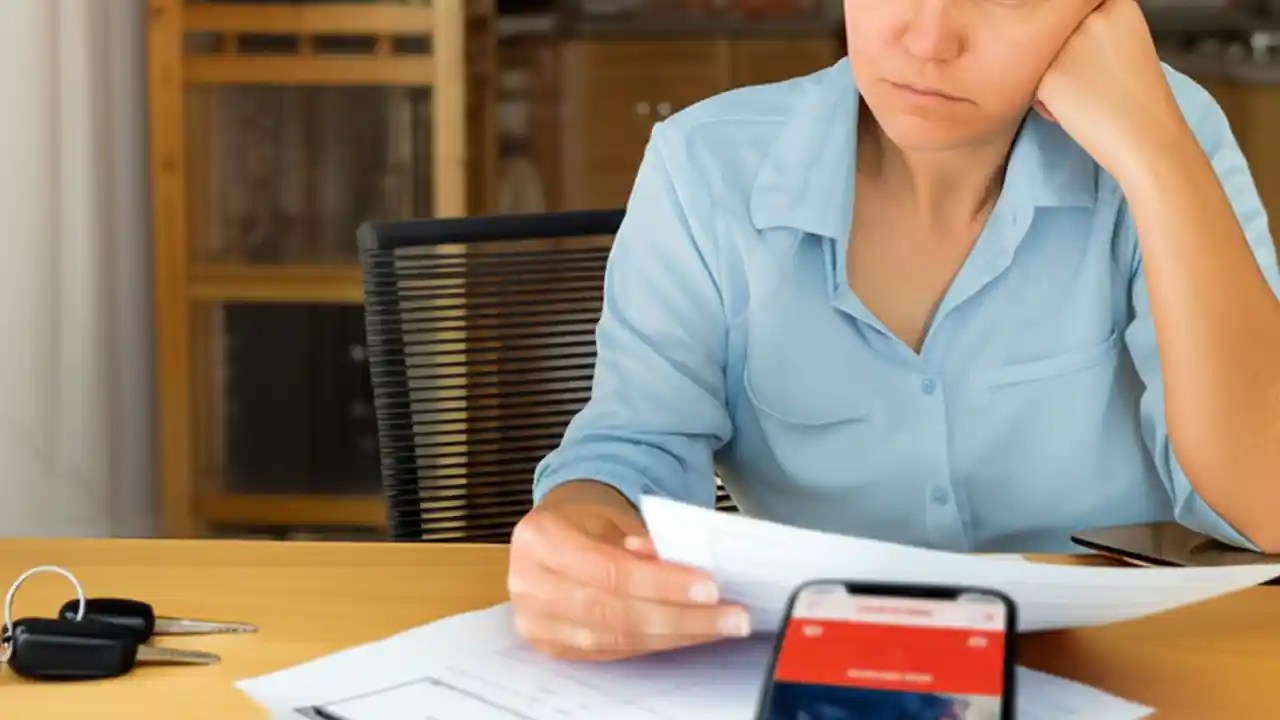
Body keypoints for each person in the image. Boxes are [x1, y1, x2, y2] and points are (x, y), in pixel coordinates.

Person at [507, 0, 1280, 663]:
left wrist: (1155, 154)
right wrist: (585, 529)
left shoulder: (1169, 137)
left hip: (1136, 669)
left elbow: (1267, 505)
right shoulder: (704, 167)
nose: (930, 39)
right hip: (830, 676)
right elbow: (635, 447)